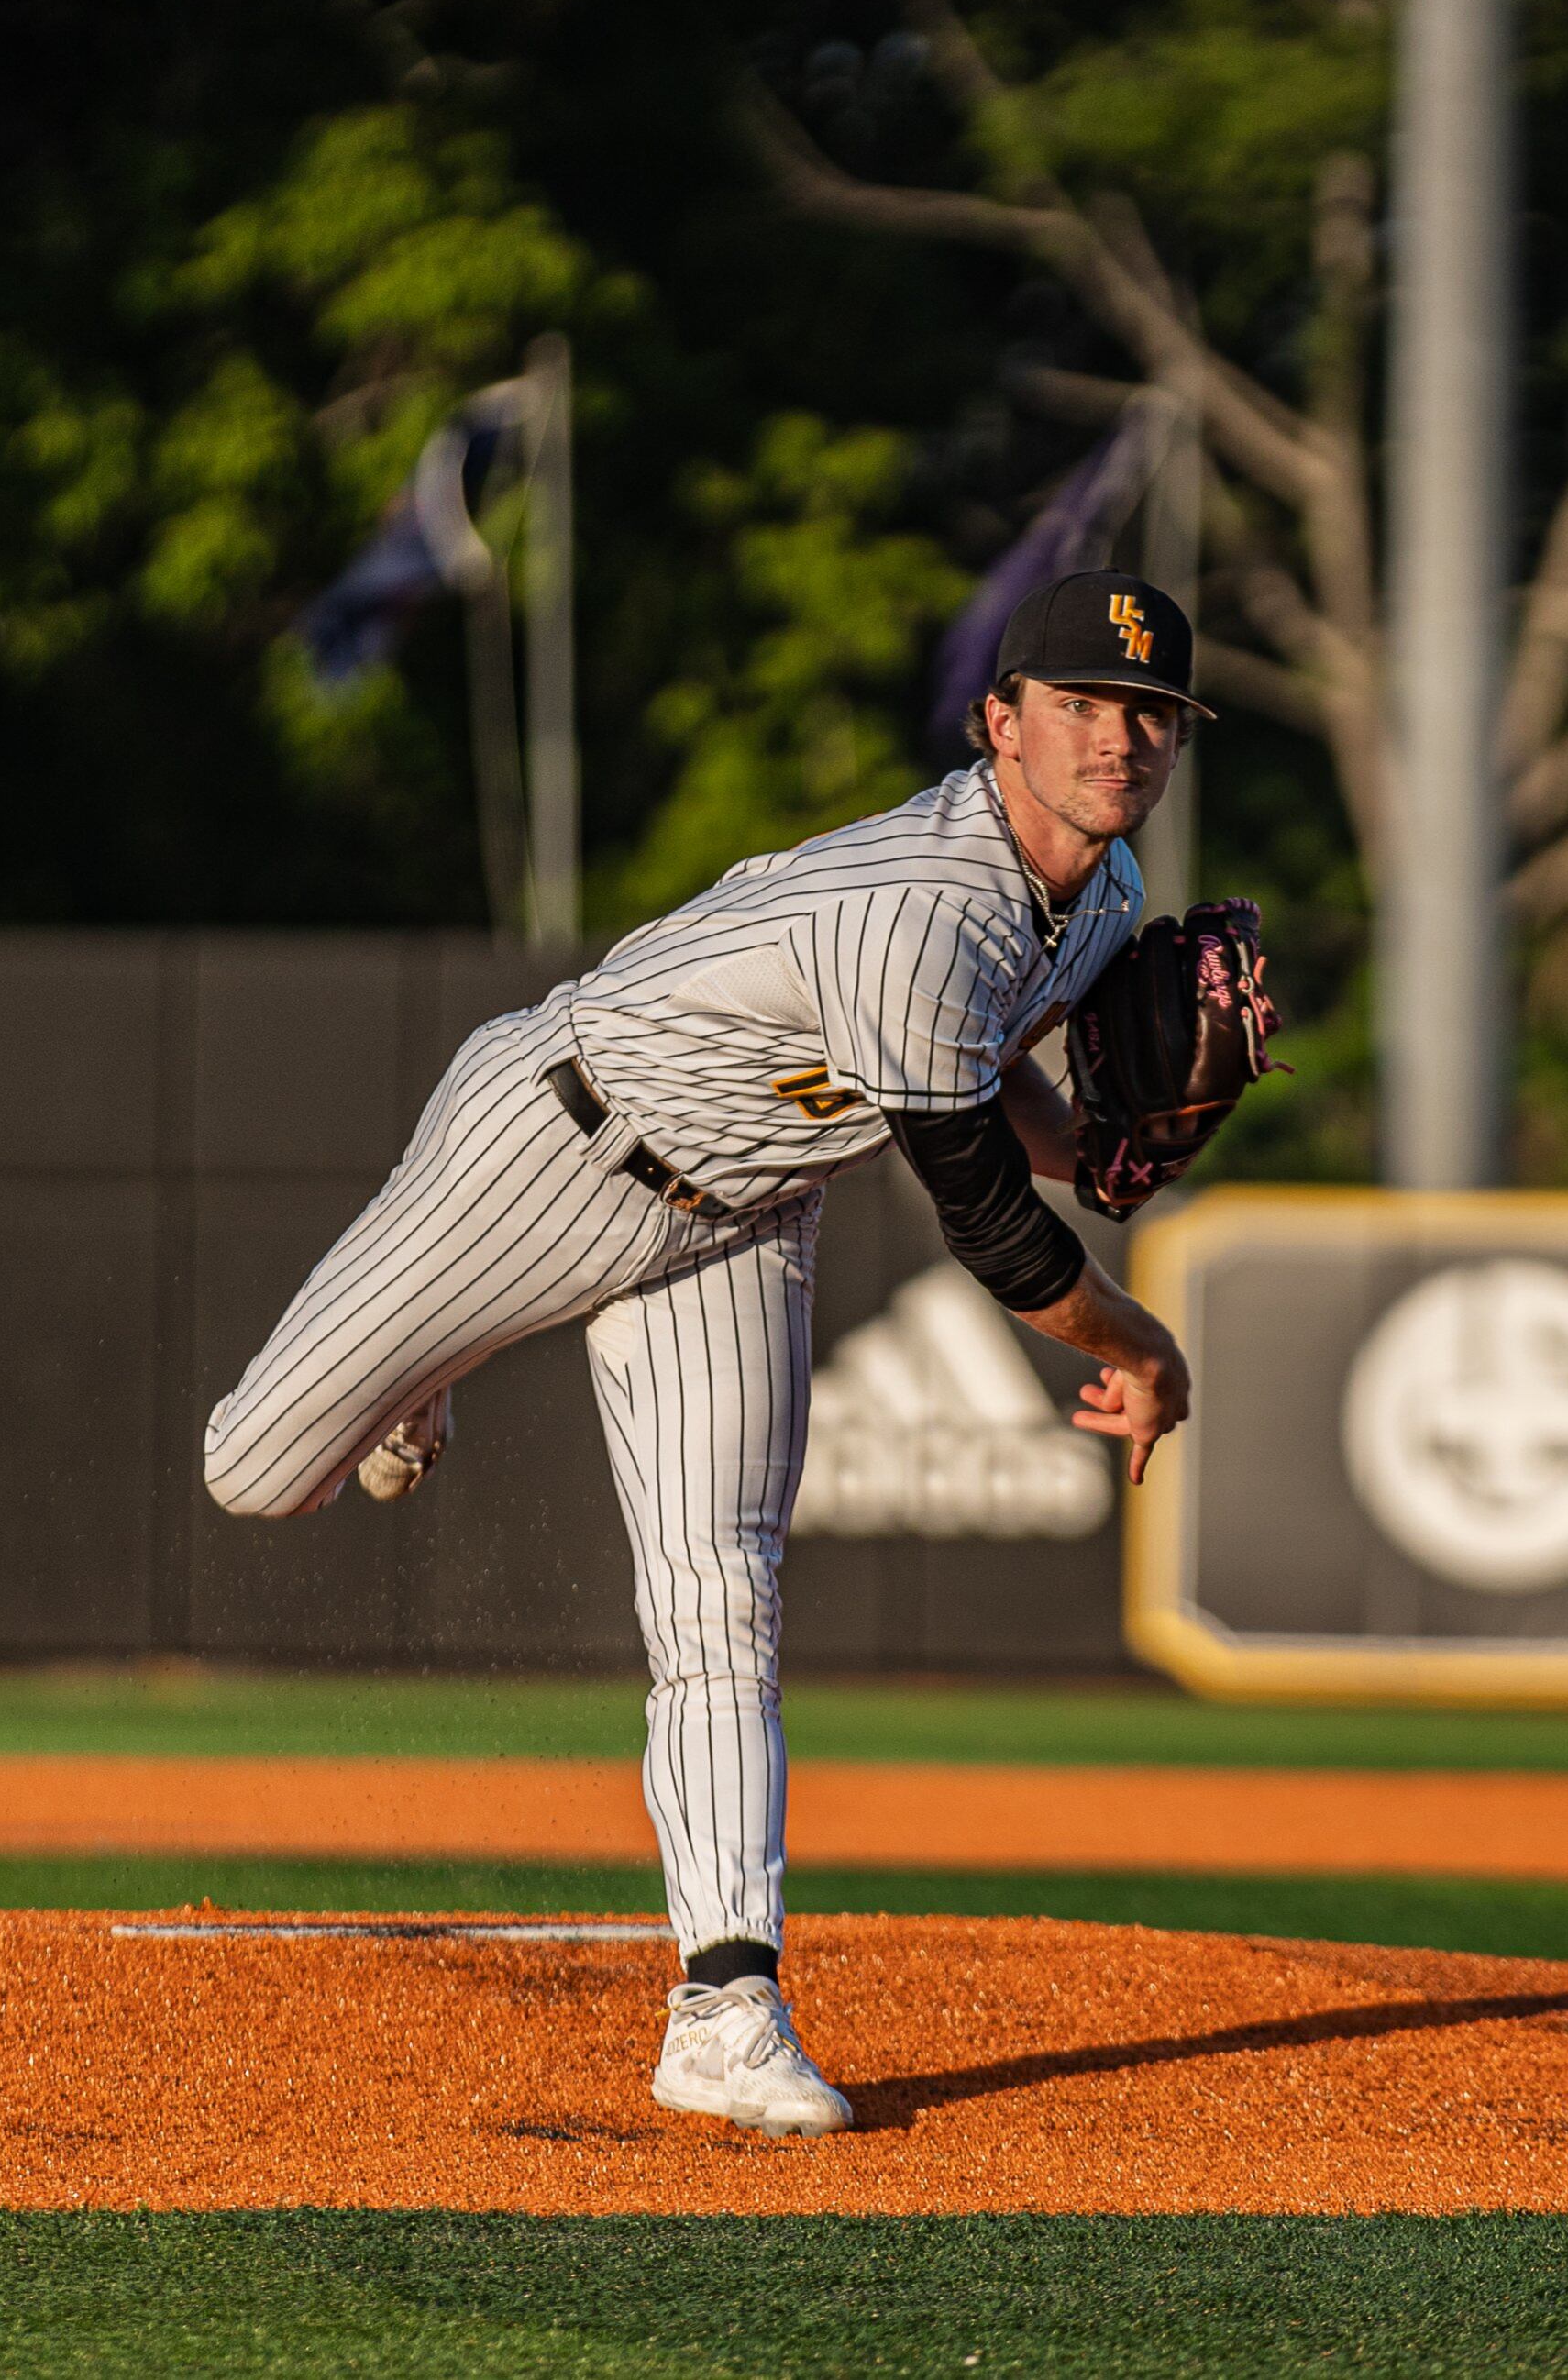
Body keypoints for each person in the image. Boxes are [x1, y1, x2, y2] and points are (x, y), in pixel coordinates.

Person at [202, 571, 1204, 2136]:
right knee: (256, 1474)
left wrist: (1107, 1153)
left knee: (719, 1591)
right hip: (554, 1144)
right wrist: (1138, 1337)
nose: (1119, 737)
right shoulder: (916, 903)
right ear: (1000, 722)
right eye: (1081, 702)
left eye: (1148, 712)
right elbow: (992, 1230)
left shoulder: (1111, 894)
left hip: (741, 1211)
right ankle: (431, 1358)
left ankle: (725, 2008)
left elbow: (993, 1079)